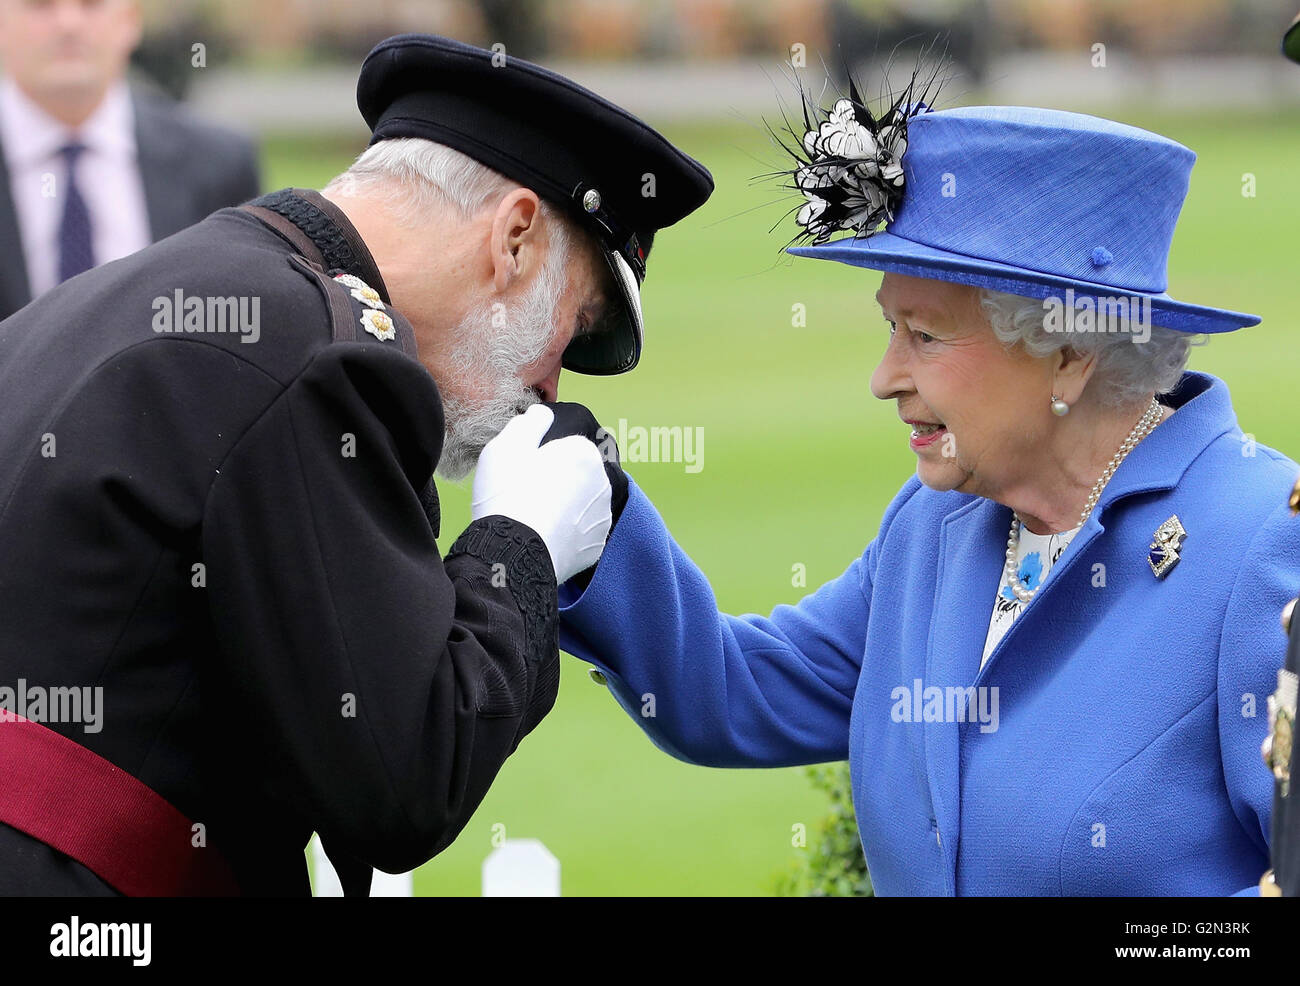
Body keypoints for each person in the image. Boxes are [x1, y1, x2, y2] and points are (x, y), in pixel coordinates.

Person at [0, 33, 712, 896]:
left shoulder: (96, 303)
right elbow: (405, 779)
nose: (549, 384)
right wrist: (518, 543)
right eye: (572, 325)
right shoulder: (324, 355)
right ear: (515, 238)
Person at [555, 93, 1300, 895]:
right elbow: (737, 691)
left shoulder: (1259, 539)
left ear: (1070, 352)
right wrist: (576, 509)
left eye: (927, 334)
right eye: (890, 327)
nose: (884, 380)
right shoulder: (939, 521)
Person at [0, 0, 260, 320]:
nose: (68, 23)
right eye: (40, 5)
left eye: (91, 4)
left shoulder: (219, 162)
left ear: (129, 20)